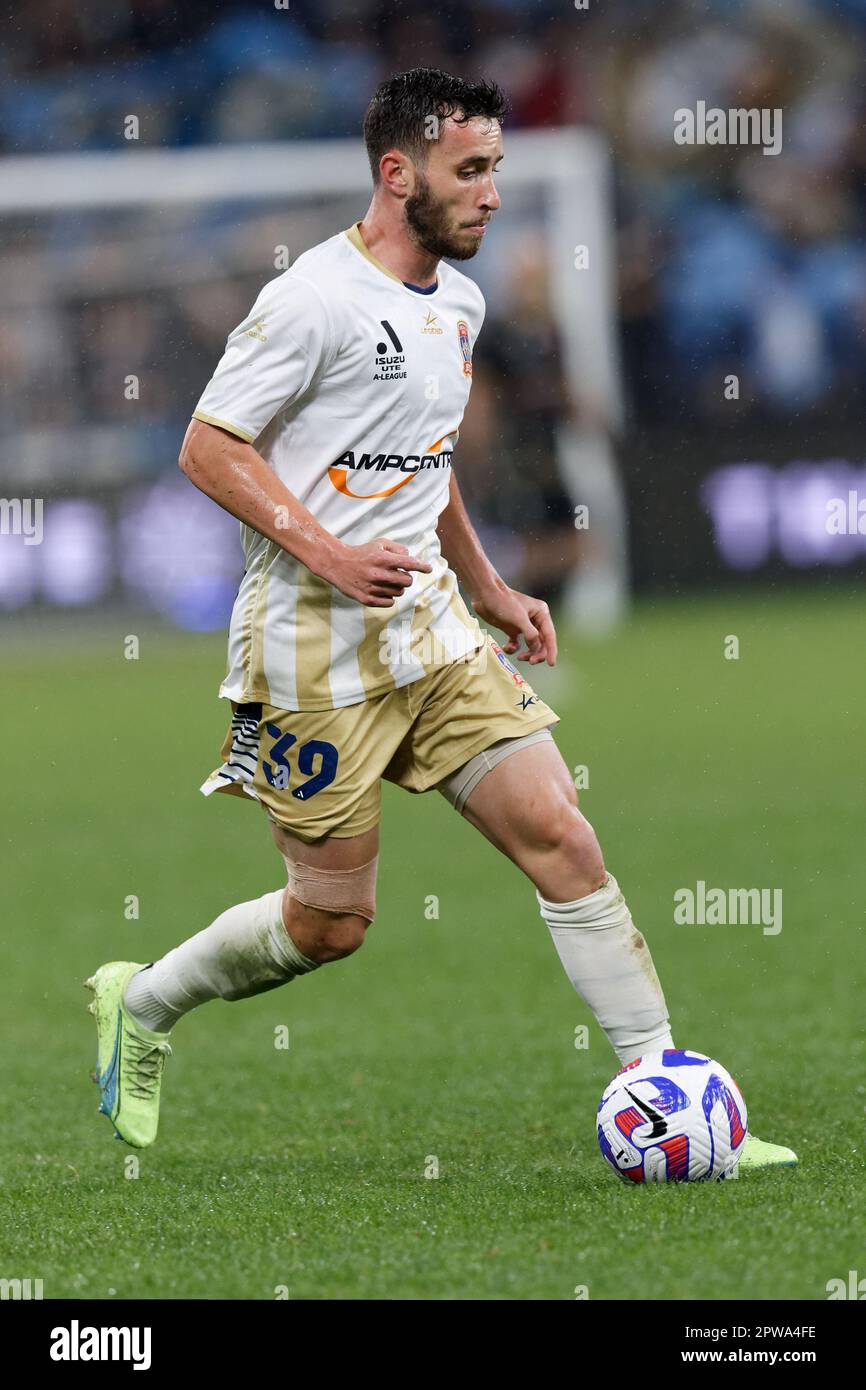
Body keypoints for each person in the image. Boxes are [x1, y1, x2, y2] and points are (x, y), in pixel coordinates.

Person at [86, 67, 795, 1176]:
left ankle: (667, 1091)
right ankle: (145, 1001)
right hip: (309, 653)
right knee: (331, 924)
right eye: (470, 171)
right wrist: (325, 550)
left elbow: (426, 464)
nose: (492, 195)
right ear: (394, 172)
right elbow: (207, 446)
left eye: (497, 169)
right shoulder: (309, 299)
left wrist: (487, 585)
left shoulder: (457, 304)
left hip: (430, 630)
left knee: (562, 835)